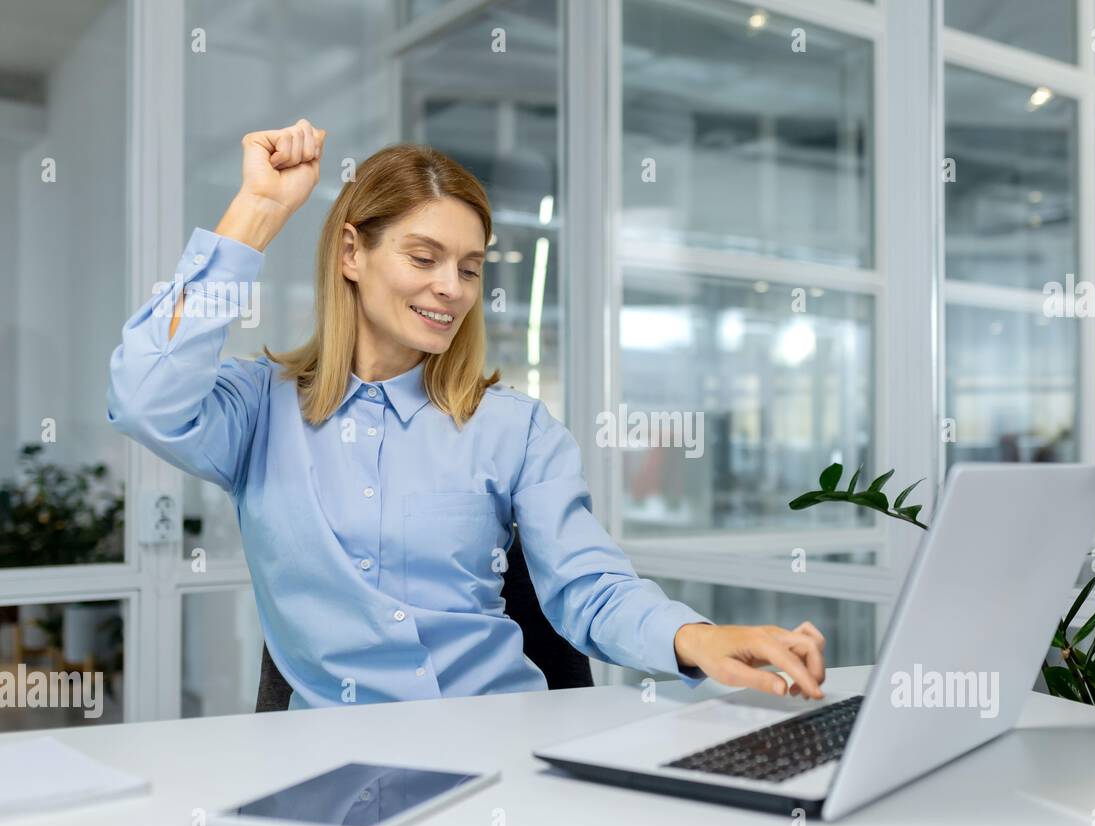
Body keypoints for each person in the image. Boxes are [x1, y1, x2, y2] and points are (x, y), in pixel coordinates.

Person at [107, 119, 826, 709]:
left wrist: (697, 639)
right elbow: (144, 397)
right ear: (352, 252)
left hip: (500, 742)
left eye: (471, 267)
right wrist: (256, 213)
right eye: (423, 258)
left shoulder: (514, 428)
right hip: (329, 763)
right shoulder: (257, 411)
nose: (451, 288)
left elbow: (587, 586)